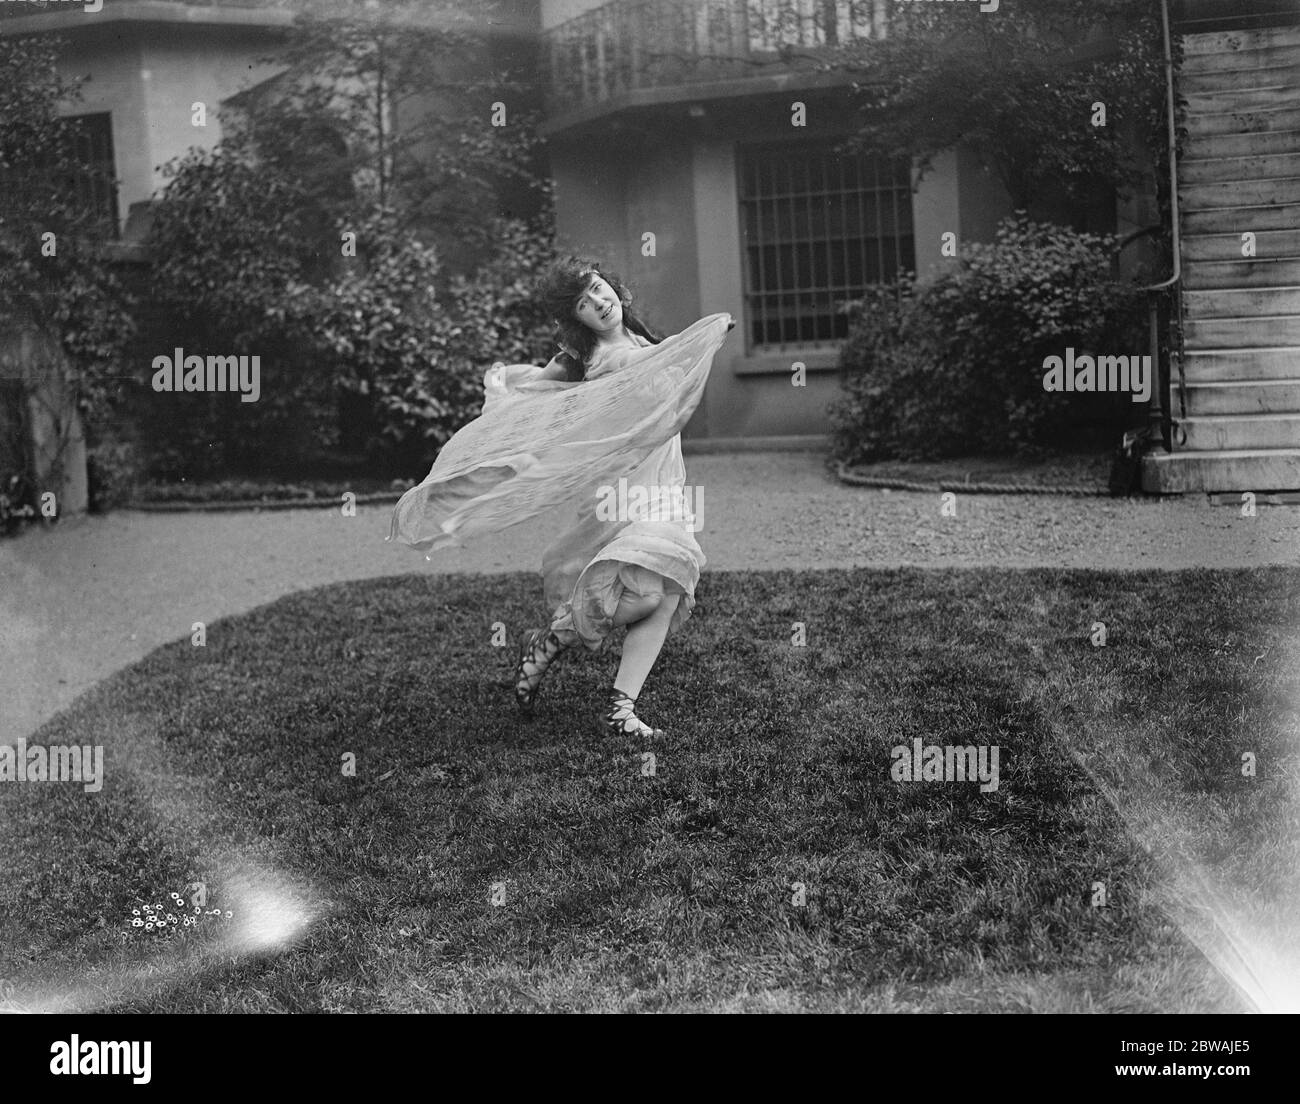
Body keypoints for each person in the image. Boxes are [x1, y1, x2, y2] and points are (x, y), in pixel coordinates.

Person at [388, 255, 733, 740]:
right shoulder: (598, 359)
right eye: (583, 304)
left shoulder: (644, 338)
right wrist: (701, 335)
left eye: (598, 290)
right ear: (577, 319)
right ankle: (554, 639)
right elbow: (605, 376)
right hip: (620, 491)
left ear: (615, 289)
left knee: (666, 592)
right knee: (647, 593)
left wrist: (689, 340)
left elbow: (656, 364)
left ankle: (621, 707)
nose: (598, 304)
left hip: (665, 485)